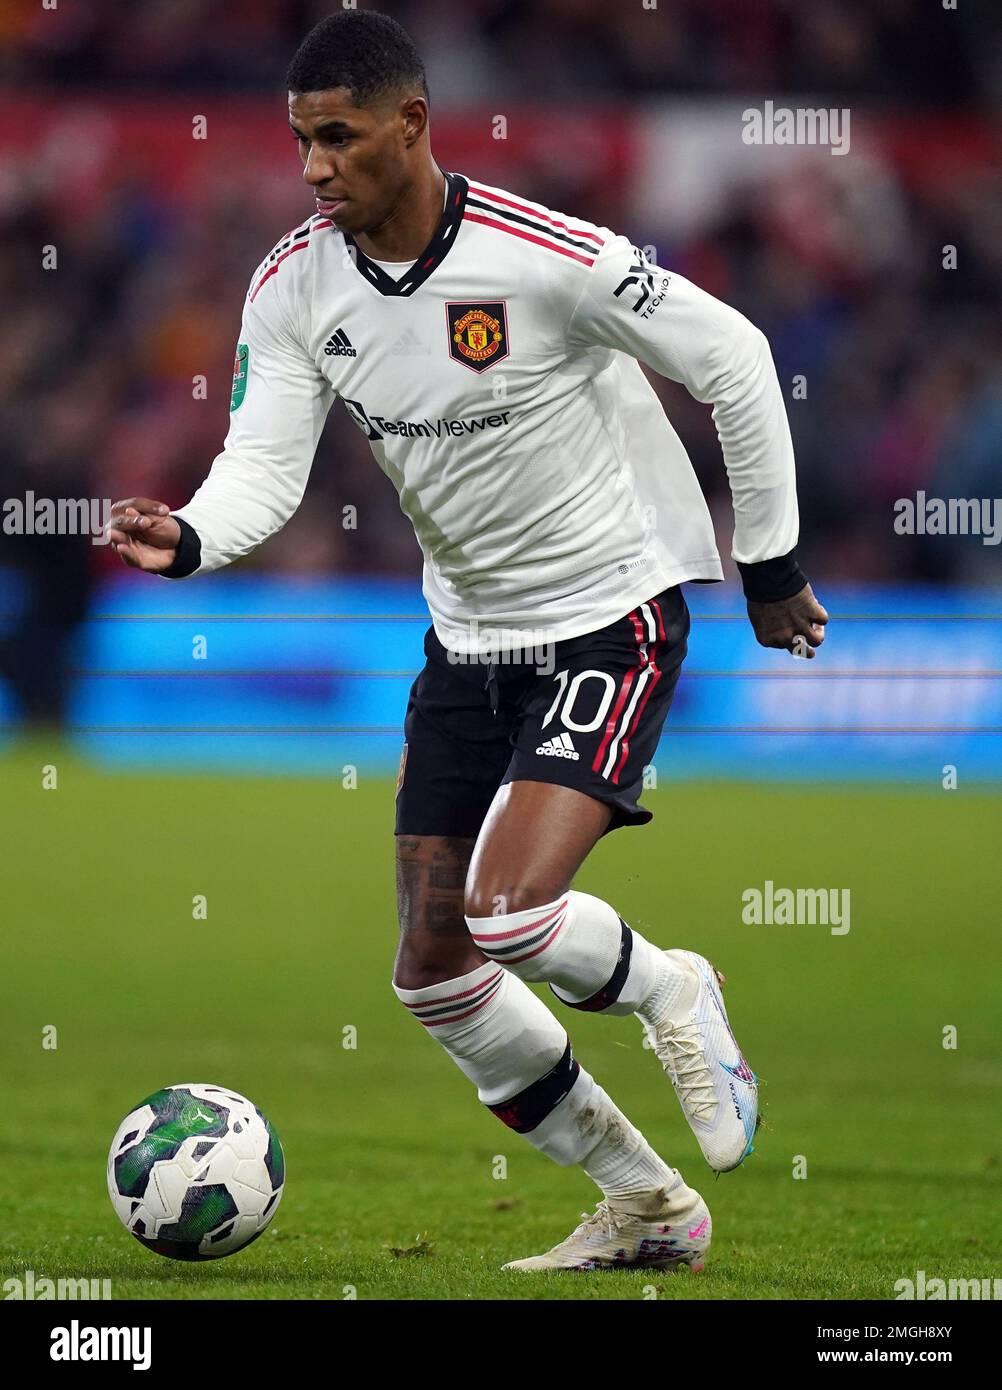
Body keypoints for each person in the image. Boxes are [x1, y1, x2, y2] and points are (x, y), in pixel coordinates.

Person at [109, 9, 828, 1273]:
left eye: (338, 137)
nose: (316, 167)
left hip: (611, 613)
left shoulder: (539, 254)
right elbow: (264, 468)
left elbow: (738, 355)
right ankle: (648, 1207)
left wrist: (769, 564)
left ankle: (671, 986)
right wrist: (195, 536)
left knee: (506, 912)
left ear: (411, 123)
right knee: (436, 969)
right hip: (469, 641)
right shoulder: (294, 285)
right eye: (299, 142)